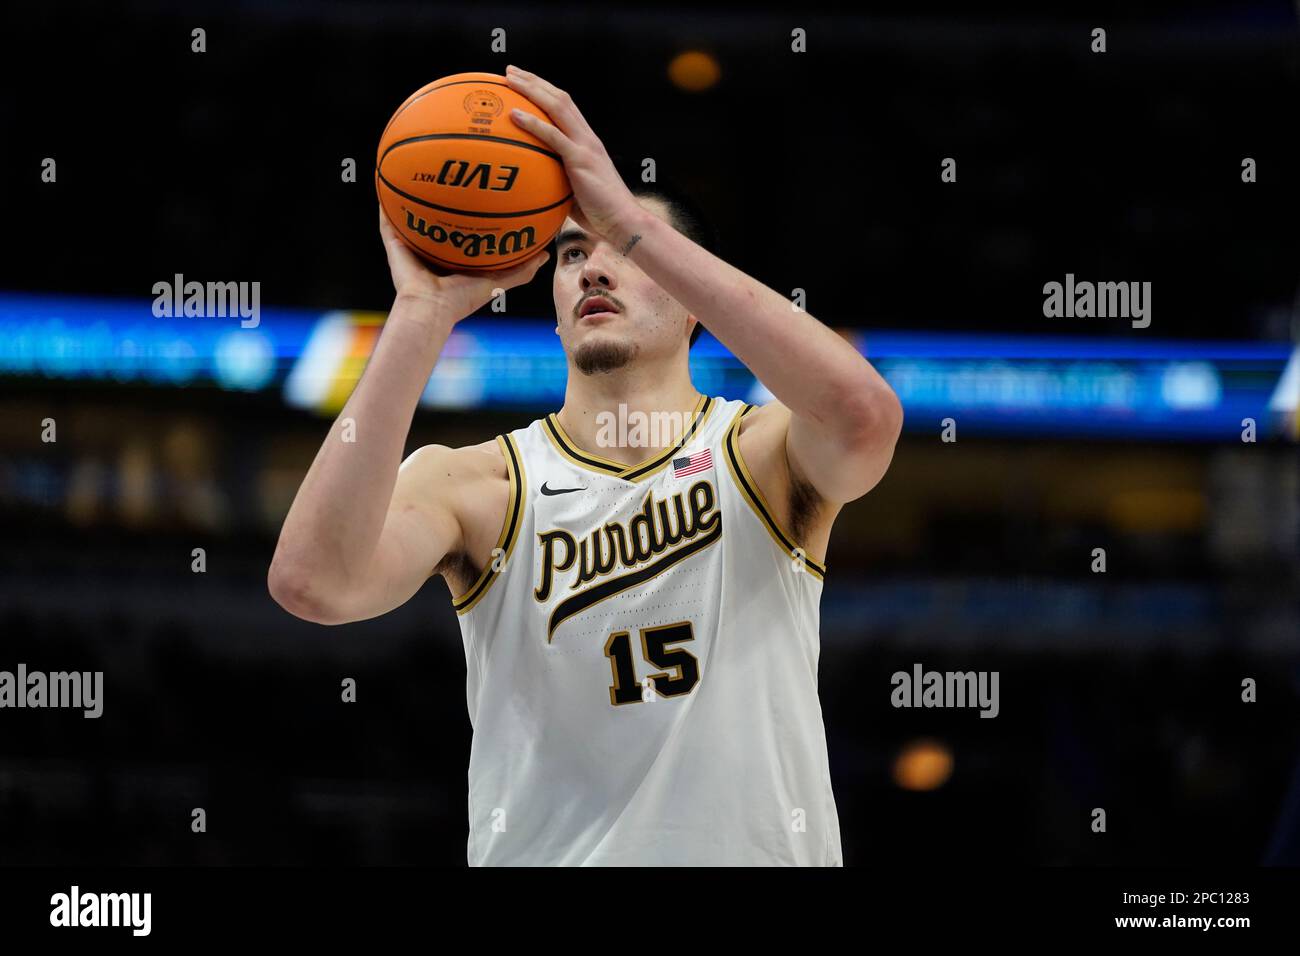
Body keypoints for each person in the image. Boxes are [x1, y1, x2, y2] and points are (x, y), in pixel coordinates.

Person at [269, 65, 903, 865]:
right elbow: (312, 584)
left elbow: (867, 414)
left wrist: (635, 225)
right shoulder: (480, 488)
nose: (594, 268)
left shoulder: (762, 456)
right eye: (571, 255)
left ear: (689, 289)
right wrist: (420, 316)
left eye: (625, 252)